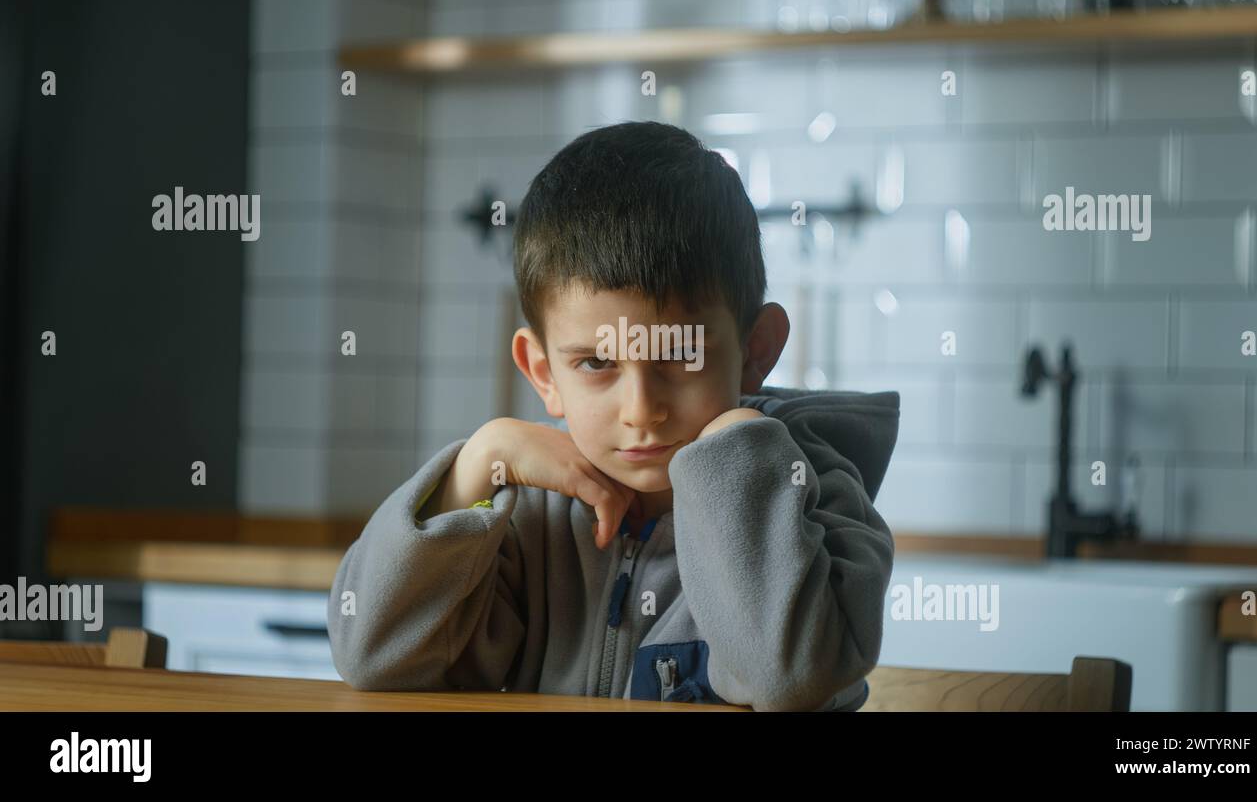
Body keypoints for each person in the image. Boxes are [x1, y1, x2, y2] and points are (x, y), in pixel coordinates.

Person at [326, 121, 899, 711]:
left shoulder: (816, 496)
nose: (641, 410)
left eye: (681, 355)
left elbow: (791, 681)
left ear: (756, 350)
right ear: (544, 373)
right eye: (597, 362)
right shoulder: (522, 517)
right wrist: (480, 462)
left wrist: (734, 453)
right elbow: (376, 657)